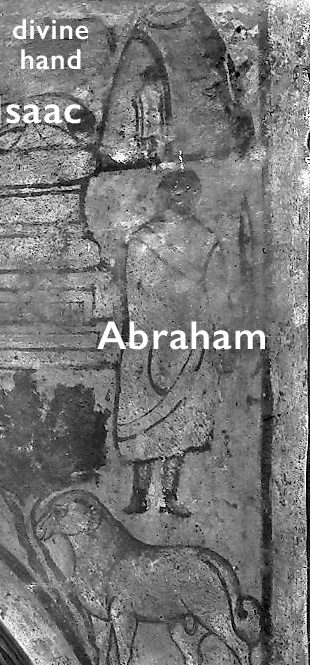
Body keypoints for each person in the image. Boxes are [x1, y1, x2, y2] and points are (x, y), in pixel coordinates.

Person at [115, 169, 221, 517]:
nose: (180, 199)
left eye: (187, 192)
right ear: (161, 195)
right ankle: (139, 492)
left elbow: (213, 295)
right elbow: (135, 294)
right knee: (141, 418)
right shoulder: (142, 240)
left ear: (196, 196)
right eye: (173, 192)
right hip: (147, 340)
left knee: (180, 422)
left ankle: (169, 495)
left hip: (190, 341)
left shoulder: (206, 241)